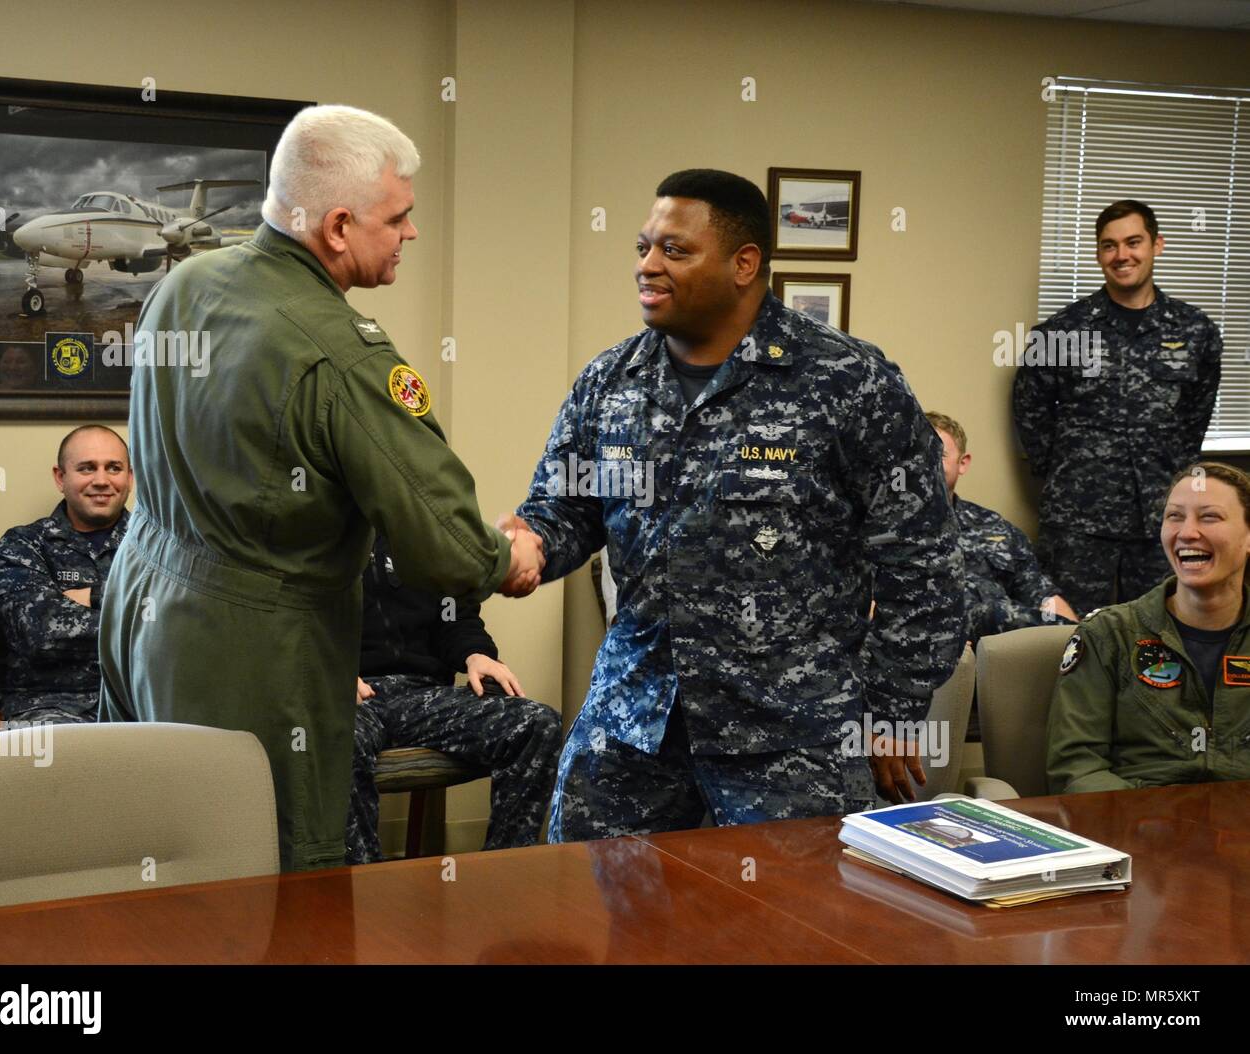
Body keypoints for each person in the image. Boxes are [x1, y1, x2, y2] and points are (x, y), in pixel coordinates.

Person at [98, 105, 544, 872]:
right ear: (337, 226)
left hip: (144, 606)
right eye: (399, 217)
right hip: (254, 649)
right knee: (273, 872)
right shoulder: (340, 354)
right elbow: (443, 542)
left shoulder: (186, 284)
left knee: (163, 853)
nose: (411, 233)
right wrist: (505, 556)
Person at [507, 169, 965, 842]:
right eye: (642, 248)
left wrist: (893, 714)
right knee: (594, 923)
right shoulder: (611, 381)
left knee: (788, 933)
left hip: (791, 737)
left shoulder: (848, 382)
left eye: (675, 251)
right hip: (634, 722)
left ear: (744, 264)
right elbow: (565, 510)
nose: (648, 267)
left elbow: (923, 563)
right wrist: (529, 548)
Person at [1013, 199, 1223, 615]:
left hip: (1162, 516)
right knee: (1068, 635)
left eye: (1133, 242)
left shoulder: (1195, 331)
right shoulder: (1061, 331)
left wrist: (1172, 468)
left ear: (1156, 245)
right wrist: (1065, 469)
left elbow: (1196, 415)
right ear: (1097, 254)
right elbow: (1030, 411)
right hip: (1078, 518)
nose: (1121, 255)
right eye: (1109, 246)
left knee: (1161, 627)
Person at [344, 536, 561, 863]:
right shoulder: (322, 529)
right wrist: (329, 671)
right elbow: (299, 619)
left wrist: (476, 653)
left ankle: (504, 874)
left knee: (538, 724)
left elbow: (456, 617)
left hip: (424, 696)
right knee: (337, 740)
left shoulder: (427, 533)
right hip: (352, 696)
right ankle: (358, 889)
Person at [1047, 462, 1250, 793]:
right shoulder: (1109, 635)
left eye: (1209, 517)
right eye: (1175, 517)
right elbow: (1076, 768)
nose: (1187, 532)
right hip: (1139, 824)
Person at [0, 425, 132, 724]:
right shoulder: (24, 544)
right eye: (87, 468)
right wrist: (138, 615)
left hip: (142, 703)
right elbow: (41, 635)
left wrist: (93, 595)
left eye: (114, 468)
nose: (102, 480)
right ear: (60, 477)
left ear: (130, 477)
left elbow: (188, 626)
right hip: (51, 707)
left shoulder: (158, 547)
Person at [926, 411, 1076, 642]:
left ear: (962, 463)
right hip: (931, 637)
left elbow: (1041, 595)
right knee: (995, 613)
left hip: (1005, 643)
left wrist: (1077, 634)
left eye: (939, 454)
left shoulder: (996, 527)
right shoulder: (880, 527)